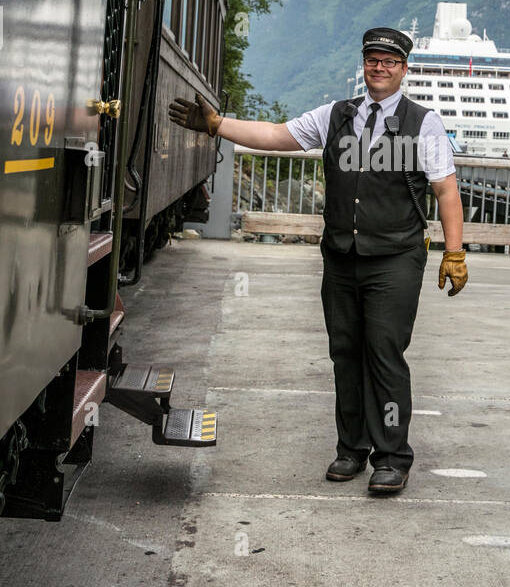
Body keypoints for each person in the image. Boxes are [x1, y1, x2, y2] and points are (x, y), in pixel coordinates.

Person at [168, 26, 467, 496]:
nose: (380, 67)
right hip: (342, 258)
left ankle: (392, 457)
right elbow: (274, 134)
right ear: (364, 65)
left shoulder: (422, 122)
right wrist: (215, 124)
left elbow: (446, 190)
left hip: (395, 259)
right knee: (345, 353)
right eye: (373, 60)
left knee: (383, 353)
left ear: (403, 70)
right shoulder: (335, 116)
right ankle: (352, 449)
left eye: (390, 62)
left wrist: (454, 251)